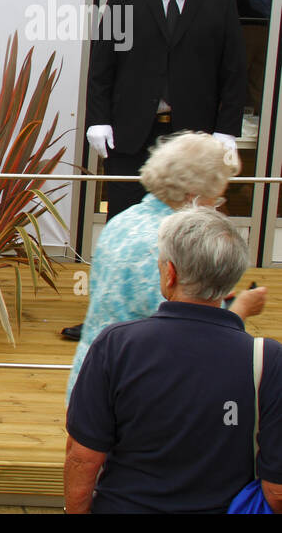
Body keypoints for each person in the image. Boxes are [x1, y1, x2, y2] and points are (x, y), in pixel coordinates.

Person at [65, 206, 282, 514]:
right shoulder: (268, 360)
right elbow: (276, 491)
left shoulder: (117, 345)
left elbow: (82, 456)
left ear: (171, 273)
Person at [65, 131, 264, 401]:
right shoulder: (170, 243)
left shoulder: (123, 221)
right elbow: (189, 337)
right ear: (192, 195)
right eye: (216, 199)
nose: (217, 208)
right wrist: (240, 309)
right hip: (134, 390)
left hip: (90, 375)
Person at [85, 0, 247, 220]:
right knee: (125, 215)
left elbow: (234, 72)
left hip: (192, 135)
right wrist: (99, 120)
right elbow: (102, 67)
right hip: (130, 133)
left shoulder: (220, 3)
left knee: (185, 220)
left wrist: (227, 129)